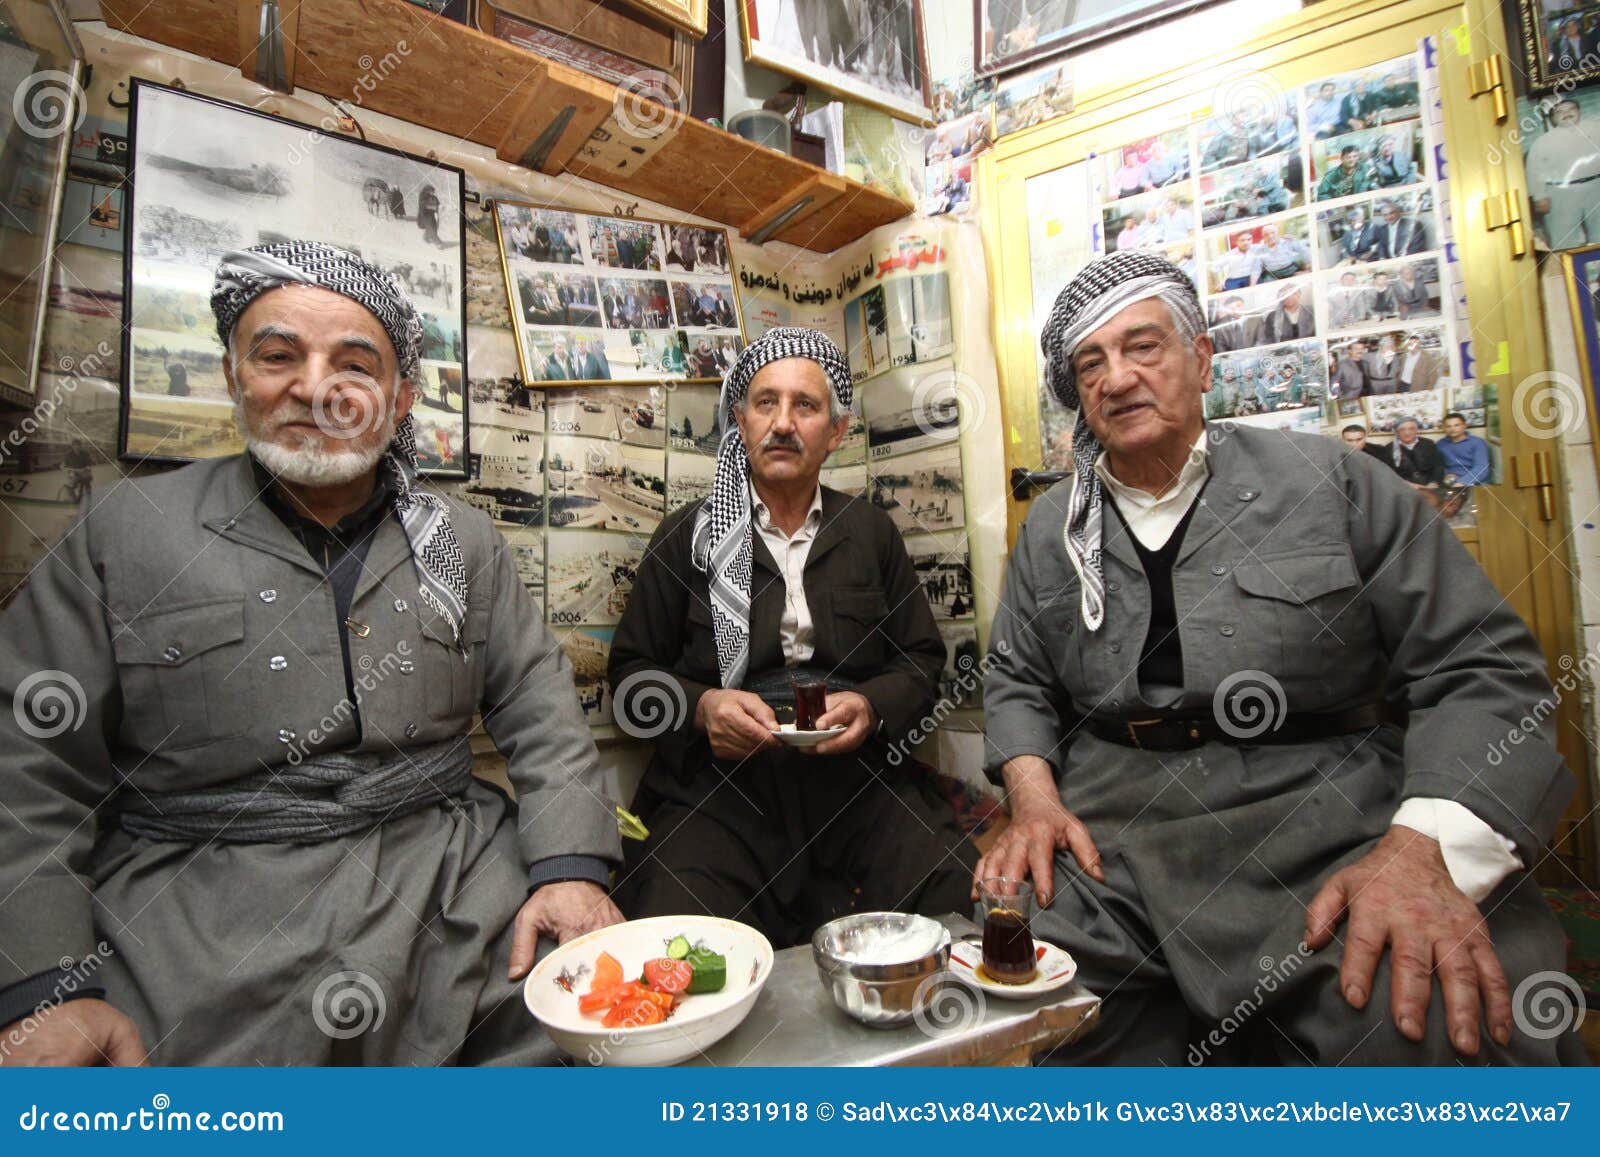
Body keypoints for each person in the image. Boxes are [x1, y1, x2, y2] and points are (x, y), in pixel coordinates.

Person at [0, 242, 623, 1066]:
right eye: (278, 354)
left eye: (353, 364)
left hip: (454, 893)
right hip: (197, 927)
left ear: (399, 400)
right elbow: (27, 768)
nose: (314, 386)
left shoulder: (461, 540)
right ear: (233, 374)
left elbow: (541, 706)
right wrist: (45, 984)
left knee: (599, 1035)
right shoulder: (125, 531)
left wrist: (571, 867)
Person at [980, 249, 1580, 1065]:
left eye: (1143, 346)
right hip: (1115, 840)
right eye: (1092, 362)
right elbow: (1016, 676)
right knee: (1008, 1014)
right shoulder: (1051, 530)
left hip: (1330, 822)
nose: (1117, 378)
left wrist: (1419, 851)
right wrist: (1033, 796)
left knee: (1439, 1017)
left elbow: (1481, 667)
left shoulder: (1332, 479)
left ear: (1201, 359)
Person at [608, 328, 979, 949]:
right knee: (678, 941)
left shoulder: (869, 533)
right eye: (765, 403)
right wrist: (702, 710)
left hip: (858, 779)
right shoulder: (686, 539)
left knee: (958, 913)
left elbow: (920, 662)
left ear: (835, 432)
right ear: (739, 421)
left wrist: (870, 707)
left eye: (805, 406)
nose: (783, 423)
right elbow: (629, 678)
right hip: (719, 791)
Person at [1526, 98, 1600, 248]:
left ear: (1578, 111)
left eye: (1571, 109)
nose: (1566, 114)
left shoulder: (1596, 128)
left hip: (1596, 187)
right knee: (1564, 239)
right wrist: (1539, 196)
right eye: (1559, 112)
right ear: (1553, 118)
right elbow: (1534, 170)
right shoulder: (1543, 141)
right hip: (1561, 193)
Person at [1389, 416, 1445, 494]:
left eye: (1411, 429)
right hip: (1405, 488)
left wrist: (1434, 482)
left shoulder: (1429, 444)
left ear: (1417, 430)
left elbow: (1438, 465)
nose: (1407, 433)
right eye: (1402, 429)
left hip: (1429, 486)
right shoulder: (1389, 449)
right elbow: (1390, 474)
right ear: (1397, 432)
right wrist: (1406, 484)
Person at [1438, 411, 1490, 486]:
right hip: (1450, 481)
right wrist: (1447, 474)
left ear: (1464, 426)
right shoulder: (1441, 444)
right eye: (1448, 426)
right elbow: (1439, 465)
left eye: (1456, 425)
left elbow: (1482, 468)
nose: (1452, 429)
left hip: (1475, 482)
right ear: (1444, 428)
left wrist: (1462, 482)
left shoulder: (1478, 443)